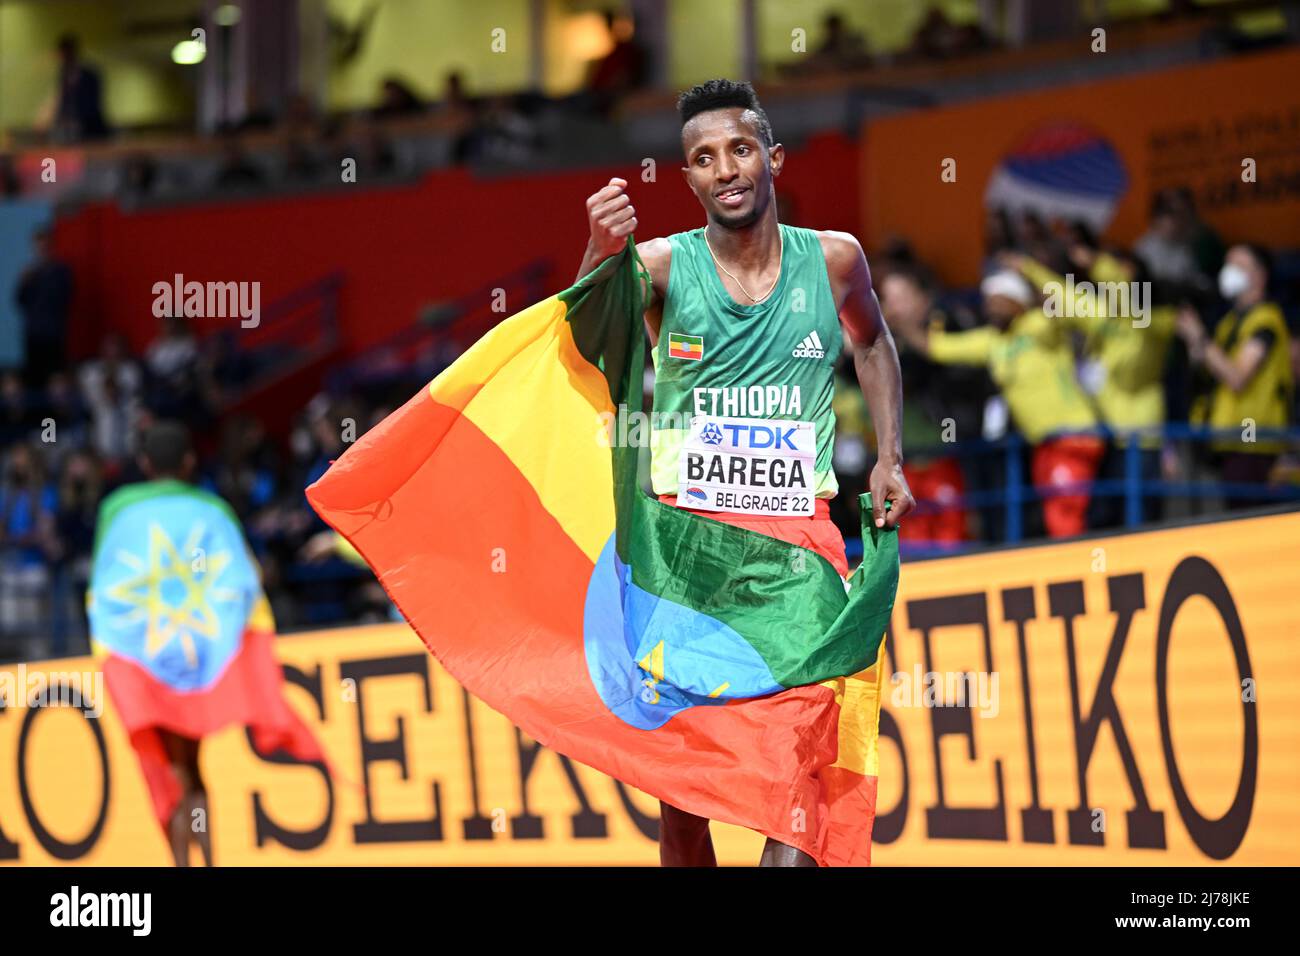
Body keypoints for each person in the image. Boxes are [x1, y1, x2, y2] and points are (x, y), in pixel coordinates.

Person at [574, 78, 913, 866]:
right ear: (687, 177)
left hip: (799, 558)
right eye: (703, 158)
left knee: (800, 787)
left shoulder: (833, 261)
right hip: (688, 560)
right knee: (686, 800)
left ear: (772, 158)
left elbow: (870, 343)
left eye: (739, 149)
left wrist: (891, 456)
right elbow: (589, 334)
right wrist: (598, 246)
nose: (724, 168)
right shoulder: (660, 267)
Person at [896, 269, 1103, 538]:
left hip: (1074, 436)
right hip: (1042, 444)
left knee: (1065, 515)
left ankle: (1081, 569)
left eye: (998, 298)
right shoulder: (993, 341)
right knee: (1057, 514)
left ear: (1017, 301)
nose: (990, 305)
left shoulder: (1038, 325)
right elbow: (937, 347)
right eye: (987, 299)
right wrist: (899, 324)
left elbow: (1073, 309)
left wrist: (1030, 268)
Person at [1178, 243, 1293, 508]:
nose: (1230, 272)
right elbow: (1211, 374)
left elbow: (1238, 377)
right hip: (1229, 440)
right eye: (1228, 265)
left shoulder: (1266, 320)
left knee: (1249, 527)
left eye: (1239, 266)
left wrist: (1202, 339)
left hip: (1253, 441)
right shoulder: (1229, 321)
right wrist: (1194, 345)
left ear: (1260, 276)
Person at [14, 228, 73, 389]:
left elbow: (63, 299)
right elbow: (20, 301)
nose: (42, 250)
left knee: (55, 378)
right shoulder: (30, 273)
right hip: (33, 334)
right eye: (38, 246)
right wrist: (24, 282)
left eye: (45, 246)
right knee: (34, 378)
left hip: (53, 333)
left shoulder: (61, 271)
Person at [51, 34, 109, 143]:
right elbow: (64, 101)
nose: (63, 58)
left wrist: (76, 120)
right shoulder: (63, 75)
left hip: (91, 130)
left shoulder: (90, 74)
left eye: (65, 53)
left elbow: (93, 103)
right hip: (71, 131)